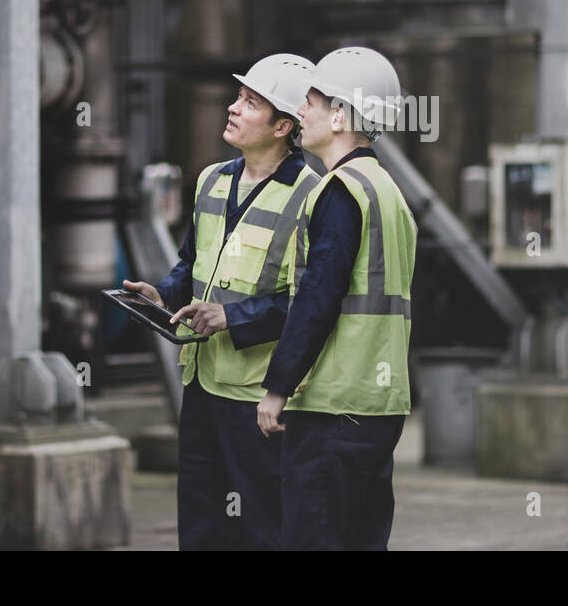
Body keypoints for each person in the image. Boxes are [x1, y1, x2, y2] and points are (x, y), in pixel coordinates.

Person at [122, 53, 319, 550]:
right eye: (238, 97)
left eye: (251, 103)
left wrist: (231, 316)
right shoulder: (211, 180)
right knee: (202, 519)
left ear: (283, 126)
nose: (233, 108)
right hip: (202, 386)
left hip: (258, 397)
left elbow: (310, 302)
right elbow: (192, 264)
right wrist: (161, 294)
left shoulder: (311, 197)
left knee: (261, 525)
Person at [256, 46, 417, 550]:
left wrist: (278, 387)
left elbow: (317, 299)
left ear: (341, 114)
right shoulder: (387, 191)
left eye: (311, 102)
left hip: (333, 405)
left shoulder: (341, 189)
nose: (300, 112)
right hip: (378, 405)